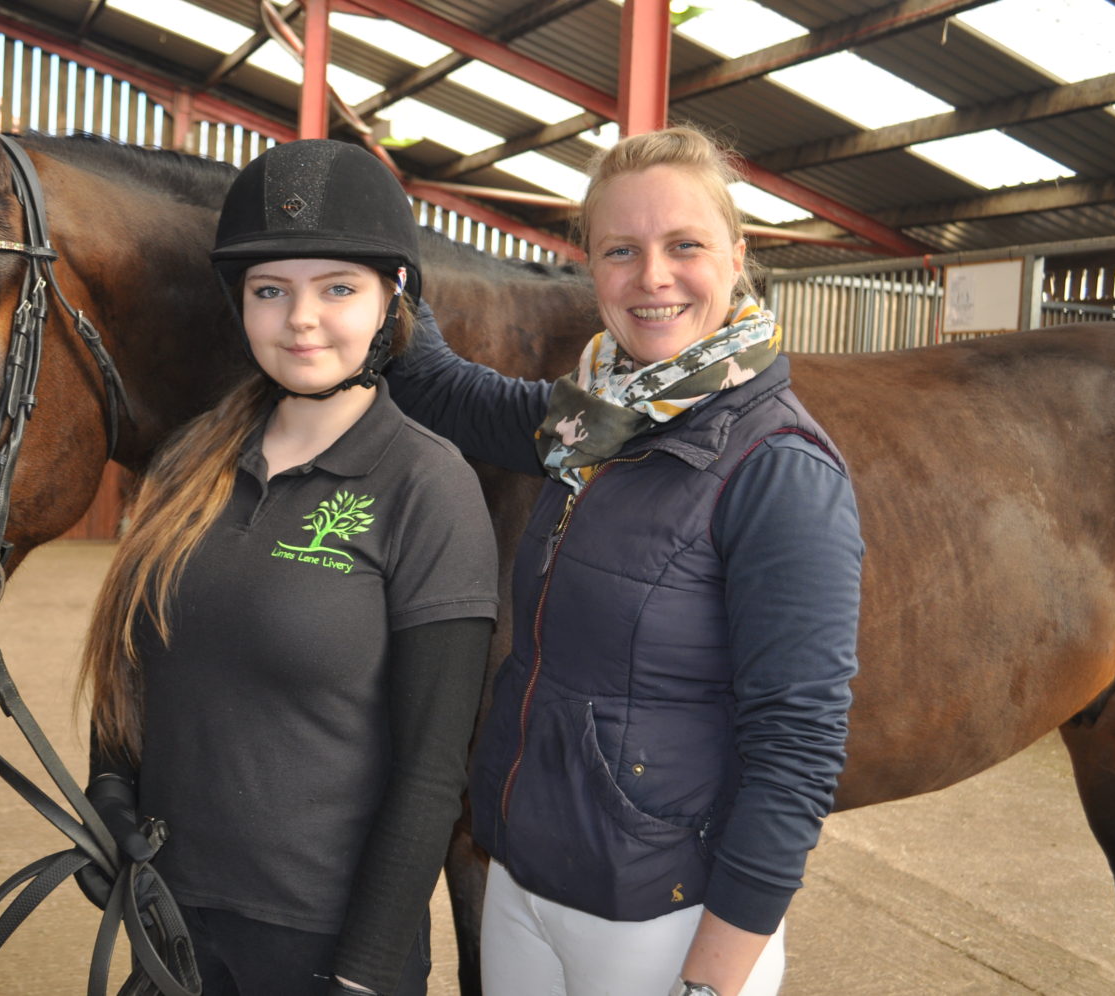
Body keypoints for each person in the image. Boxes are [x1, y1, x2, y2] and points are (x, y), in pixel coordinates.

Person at [386, 124, 864, 996]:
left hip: (662, 922)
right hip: (526, 882)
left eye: (686, 245)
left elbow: (797, 751)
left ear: (737, 256)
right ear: (591, 268)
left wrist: (710, 981)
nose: (652, 277)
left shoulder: (781, 467)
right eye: (621, 249)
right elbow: (450, 390)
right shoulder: (593, 423)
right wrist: (381, 261)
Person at [76, 138, 499, 996]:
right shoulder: (186, 460)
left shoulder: (429, 484)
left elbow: (431, 769)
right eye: (271, 291)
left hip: (321, 942)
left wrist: (368, 970)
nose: (301, 319)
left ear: (392, 298)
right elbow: (140, 664)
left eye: (337, 288)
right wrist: (111, 784)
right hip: (173, 922)